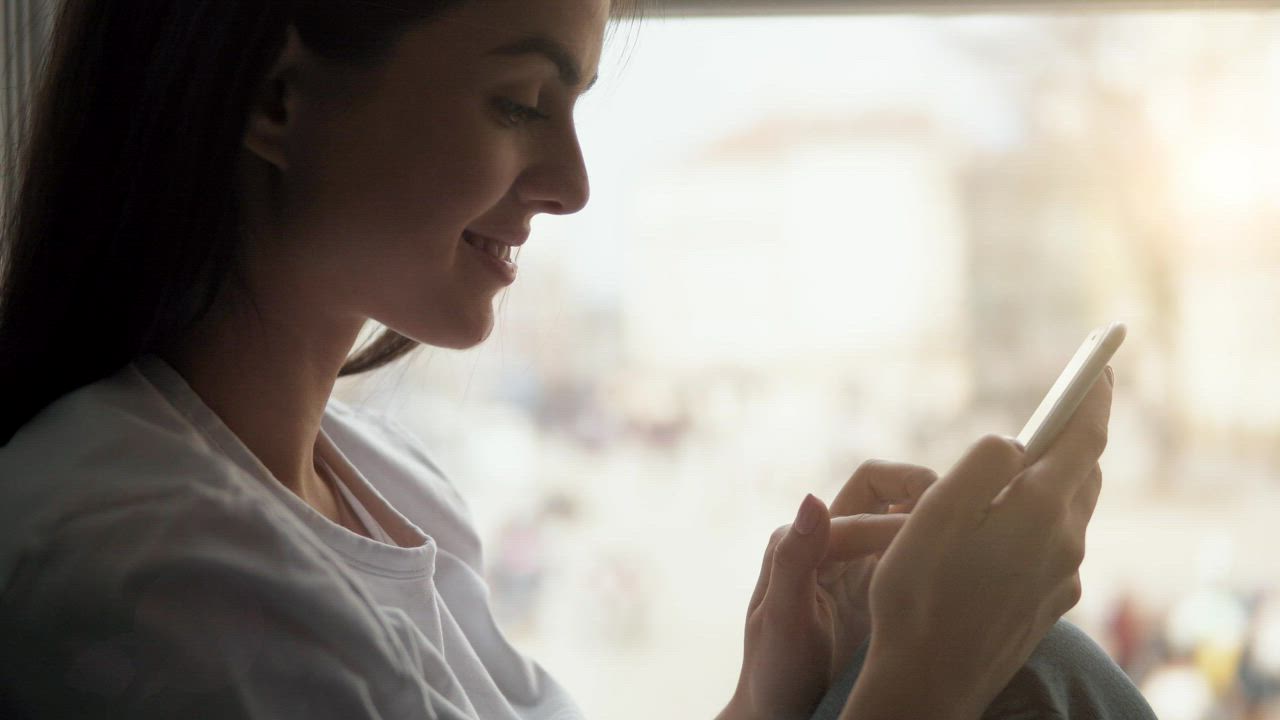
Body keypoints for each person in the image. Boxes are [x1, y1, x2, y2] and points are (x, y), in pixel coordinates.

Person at [0, 1, 1156, 718]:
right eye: (518, 102)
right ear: (275, 95)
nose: (574, 183)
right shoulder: (147, 566)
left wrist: (769, 688)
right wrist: (922, 675)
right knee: (1026, 679)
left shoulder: (378, 488)